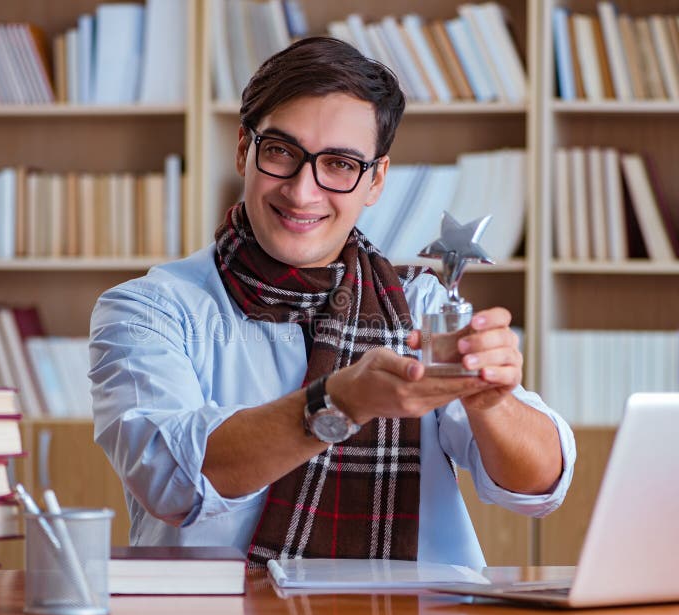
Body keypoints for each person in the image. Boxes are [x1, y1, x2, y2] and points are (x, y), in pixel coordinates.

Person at [89, 37, 575, 570]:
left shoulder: (420, 303)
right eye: (281, 151)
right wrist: (339, 403)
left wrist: (490, 403)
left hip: (417, 607)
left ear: (376, 180)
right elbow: (172, 481)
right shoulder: (147, 310)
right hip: (226, 609)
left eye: (340, 164)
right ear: (243, 150)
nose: (303, 192)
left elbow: (539, 487)